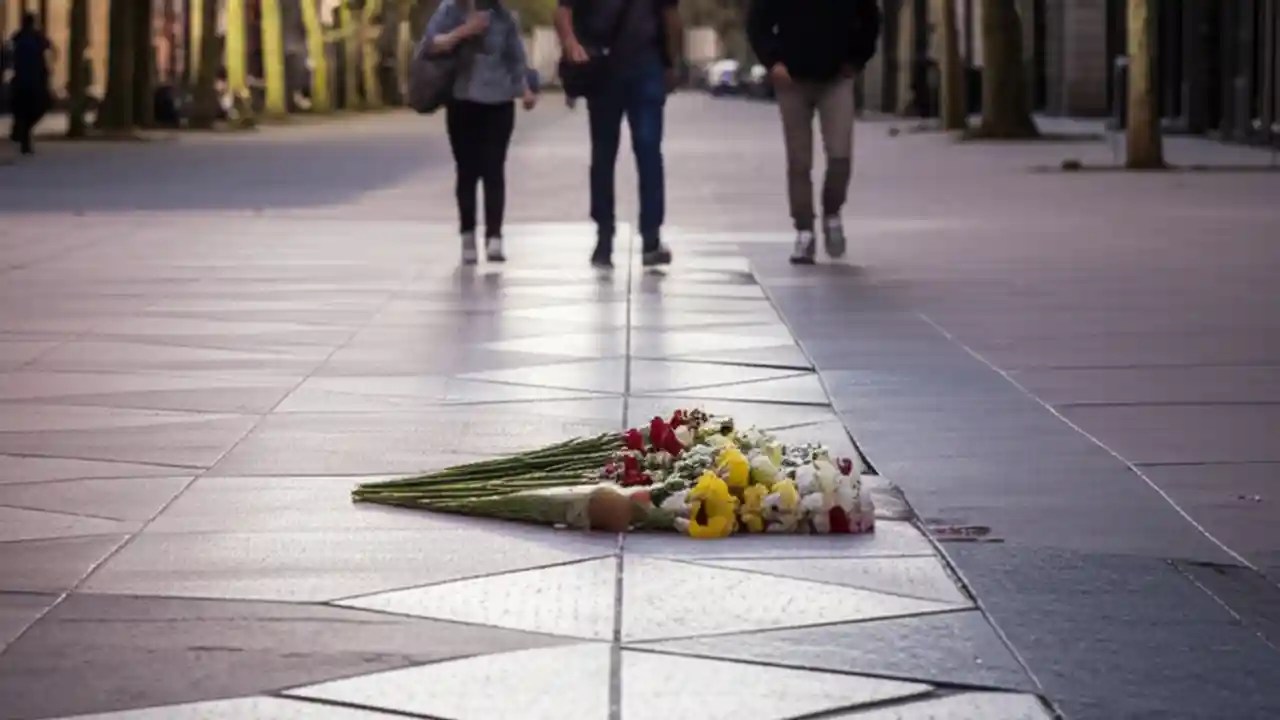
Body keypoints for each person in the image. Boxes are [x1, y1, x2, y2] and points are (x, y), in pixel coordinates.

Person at [748, 0, 880, 265]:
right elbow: (757, 23)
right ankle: (804, 231)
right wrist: (773, 62)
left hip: (836, 79)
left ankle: (832, 213)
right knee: (799, 161)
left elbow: (870, 19)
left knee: (840, 154)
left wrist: (856, 60)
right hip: (792, 80)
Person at [555, 0, 682, 269]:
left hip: (605, 64)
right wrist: (673, 64)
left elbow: (563, 12)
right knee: (647, 153)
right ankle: (650, 239)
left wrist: (571, 44)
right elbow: (671, 17)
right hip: (642, 65)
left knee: (604, 154)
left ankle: (604, 240)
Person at [426, 0, 537, 265]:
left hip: (499, 103)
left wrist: (525, 88)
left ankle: (495, 237)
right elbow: (431, 45)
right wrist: (464, 31)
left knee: (494, 169)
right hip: (462, 100)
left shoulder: (503, 16)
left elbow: (515, 56)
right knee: (467, 170)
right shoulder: (450, 10)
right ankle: (467, 236)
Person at [7, 13, 53, 156]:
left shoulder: (19, 38)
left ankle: (22, 134)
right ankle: (23, 134)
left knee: (23, 111)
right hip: (33, 81)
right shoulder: (34, 38)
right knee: (38, 107)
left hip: (22, 81)